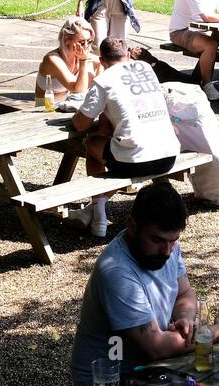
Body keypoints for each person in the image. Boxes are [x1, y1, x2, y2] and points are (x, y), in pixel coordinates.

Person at [69, 182, 219, 386]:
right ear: (132, 226)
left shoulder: (167, 247)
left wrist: (185, 316)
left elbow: (184, 293)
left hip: (148, 371)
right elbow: (156, 347)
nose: (167, 251)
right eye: (157, 240)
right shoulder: (117, 272)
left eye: (173, 241)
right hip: (107, 383)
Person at [68, 38, 183, 237]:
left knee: (92, 144)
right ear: (128, 55)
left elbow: (80, 125)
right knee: (108, 123)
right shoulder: (145, 68)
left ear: (102, 61)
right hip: (168, 155)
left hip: (137, 159)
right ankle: (94, 209)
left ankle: (99, 214)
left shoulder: (104, 80)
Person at [36, 17, 100, 107]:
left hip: (68, 105)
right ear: (66, 39)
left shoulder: (81, 54)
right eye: (81, 42)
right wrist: (83, 61)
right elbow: (78, 90)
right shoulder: (52, 59)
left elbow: (103, 61)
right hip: (46, 109)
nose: (86, 47)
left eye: (89, 42)